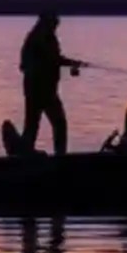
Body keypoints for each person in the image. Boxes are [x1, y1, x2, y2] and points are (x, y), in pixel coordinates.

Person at [18, 12, 85, 155]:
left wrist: (72, 63)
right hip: (40, 91)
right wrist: (69, 63)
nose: (55, 26)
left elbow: (54, 59)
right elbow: (48, 60)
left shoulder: (45, 37)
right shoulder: (38, 38)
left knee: (37, 125)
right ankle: (55, 154)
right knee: (55, 123)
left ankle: (28, 152)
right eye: (54, 23)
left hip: (45, 90)